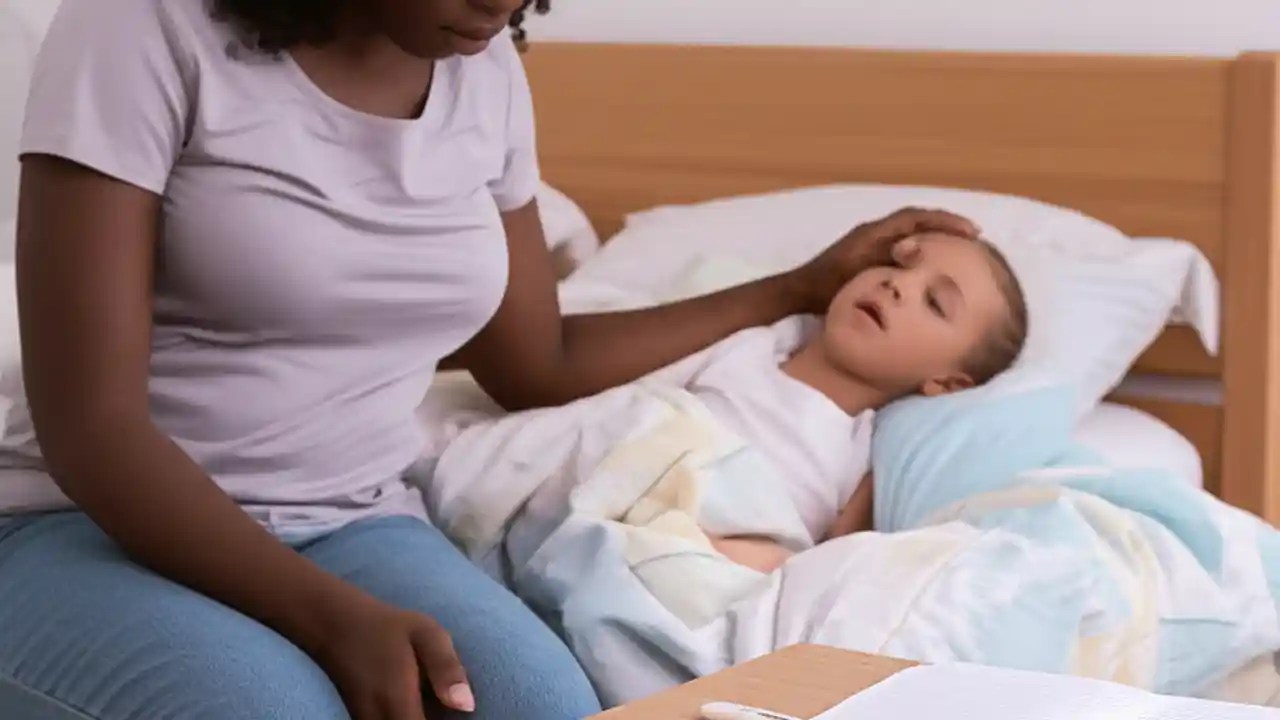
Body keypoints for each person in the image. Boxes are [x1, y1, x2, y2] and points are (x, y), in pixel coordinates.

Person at [0, 0, 983, 718]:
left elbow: (534, 362)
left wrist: (795, 288)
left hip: (351, 517)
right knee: (277, 708)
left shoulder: (483, 71)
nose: (502, 4)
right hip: (82, 518)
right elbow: (93, 431)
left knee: (542, 704)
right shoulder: (144, 26)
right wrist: (330, 620)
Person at [678, 231, 1029, 573]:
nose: (896, 283)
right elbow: (648, 397)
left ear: (947, 383)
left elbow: (832, 568)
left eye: (934, 302)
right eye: (896, 264)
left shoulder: (869, 463)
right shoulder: (745, 346)